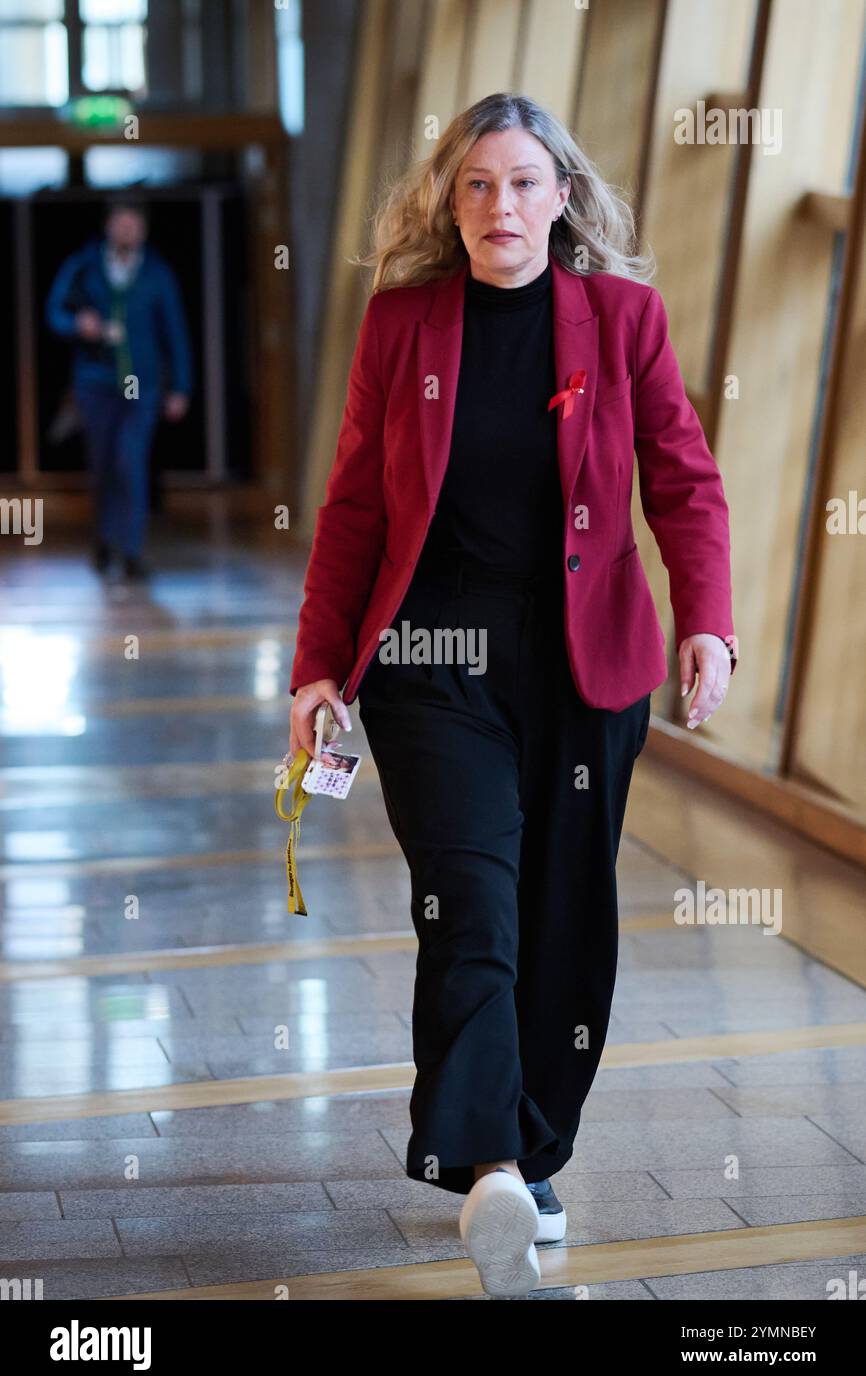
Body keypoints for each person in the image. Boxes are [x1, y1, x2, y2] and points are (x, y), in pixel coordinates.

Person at [288, 92, 738, 1298]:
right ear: (450, 201)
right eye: (477, 183)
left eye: (524, 181)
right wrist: (317, 667)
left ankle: (532, 1148)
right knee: (471, 899)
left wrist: (707, 623)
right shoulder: (400, 327)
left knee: (560, 913)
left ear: (562, 198)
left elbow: (684, 483)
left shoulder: (621, 321)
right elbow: (351, 513)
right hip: (433, 668)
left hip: (584, 667)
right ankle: (488, 1160)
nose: (500, 205)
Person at [45, 199, 192, 580]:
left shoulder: (157, 274)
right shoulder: (84, 265)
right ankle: (105, 539)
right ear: (109, 226)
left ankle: (130, 549)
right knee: (103, 464)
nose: (128, 232)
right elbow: (55, 312)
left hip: (140, 384)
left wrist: (180, 386)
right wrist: (80, 324)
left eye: (134, 225)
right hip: (96, 382)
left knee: (131, 460)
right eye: (121, 225)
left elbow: (175, 332)